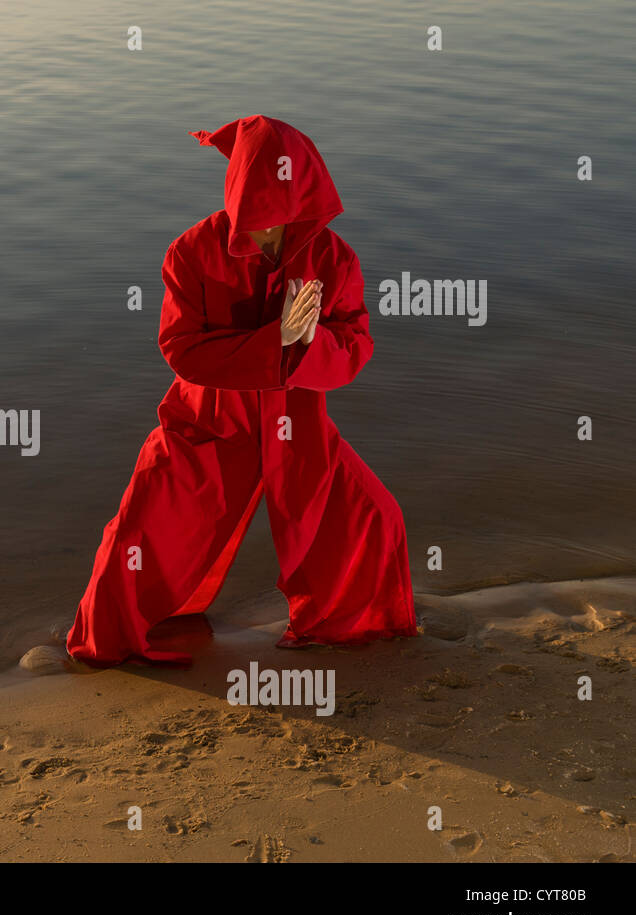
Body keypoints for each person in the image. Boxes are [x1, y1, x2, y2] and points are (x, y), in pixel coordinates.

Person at [66, 115, 419, 665]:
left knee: (374, 514)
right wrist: (273, 341)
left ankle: (346, 627)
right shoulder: (191, 252)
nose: (268, 232)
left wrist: (310, 342)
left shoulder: (332, 257)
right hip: (208, 422)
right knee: (139, 530)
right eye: (257, 217)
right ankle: (111, 642)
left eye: (281, 217)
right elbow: (181, 350)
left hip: (295, 422)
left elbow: (356, 345)